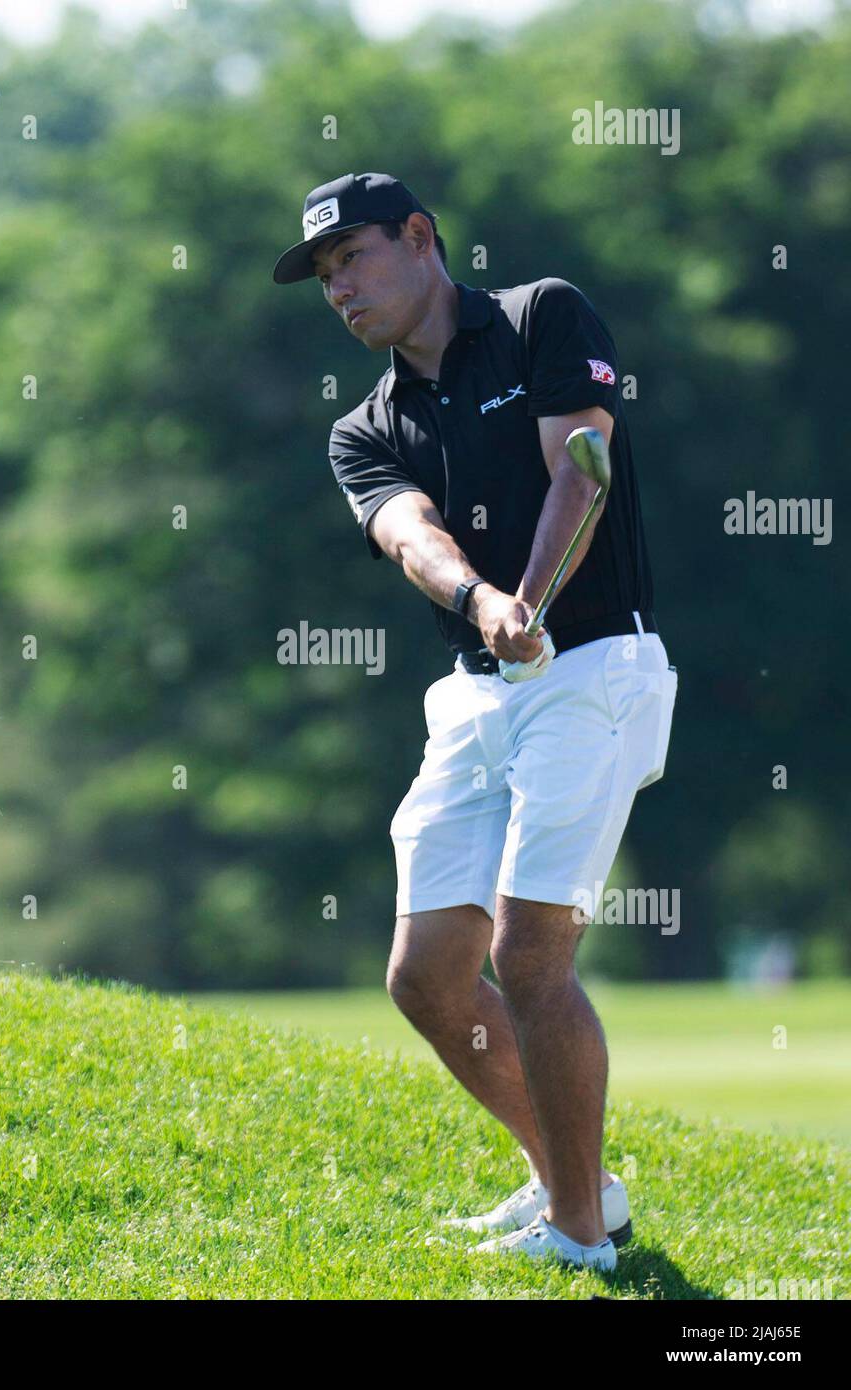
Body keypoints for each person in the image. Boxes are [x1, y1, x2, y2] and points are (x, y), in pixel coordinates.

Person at [272, 172, 677, 1273]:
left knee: (529, 952)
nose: (338, 288)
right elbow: (411, 535)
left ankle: (581, 1239)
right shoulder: (362, 427)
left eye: (351, 256)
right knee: (424, 974)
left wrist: (530, 597)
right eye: (321, 275)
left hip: (594, 667)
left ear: (419, 238)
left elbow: (576, 471)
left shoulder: (541, 315)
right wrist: (480, 604)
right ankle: (573, 1181)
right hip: (475, 686)